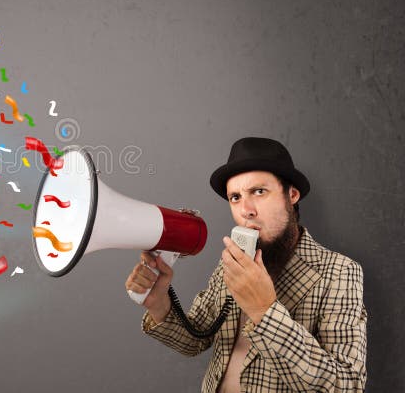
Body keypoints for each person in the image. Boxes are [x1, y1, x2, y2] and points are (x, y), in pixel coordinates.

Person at [125, 137, 367, 392]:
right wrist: (160, 304)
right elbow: (194, 340)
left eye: (259, 192)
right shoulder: (232, 263)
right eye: (235, 197)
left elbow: (347, 386)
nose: (246, 210)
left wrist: (264, 311)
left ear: (292, 195)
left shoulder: (339, 272)